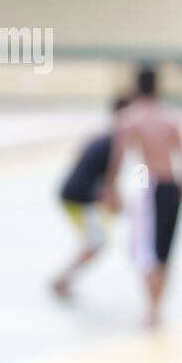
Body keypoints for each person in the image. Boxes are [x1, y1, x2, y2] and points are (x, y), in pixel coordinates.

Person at [103, 67, 182, 328]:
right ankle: (157, 306)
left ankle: (152, 308)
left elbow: (117, 160)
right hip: (172, 184)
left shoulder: (130, 119)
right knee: (165, 250)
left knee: (146, 250)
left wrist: (111, 188)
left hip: (149, 187)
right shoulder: (171, 117)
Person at [51, 96, 129, 298]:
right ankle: (61, 279)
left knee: (95, 241)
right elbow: (111, 181)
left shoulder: (100, 137)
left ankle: (63, 279)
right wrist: (117, 204)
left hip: (74, 194)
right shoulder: (116, 144)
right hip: (79, 197)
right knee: (96, 243)